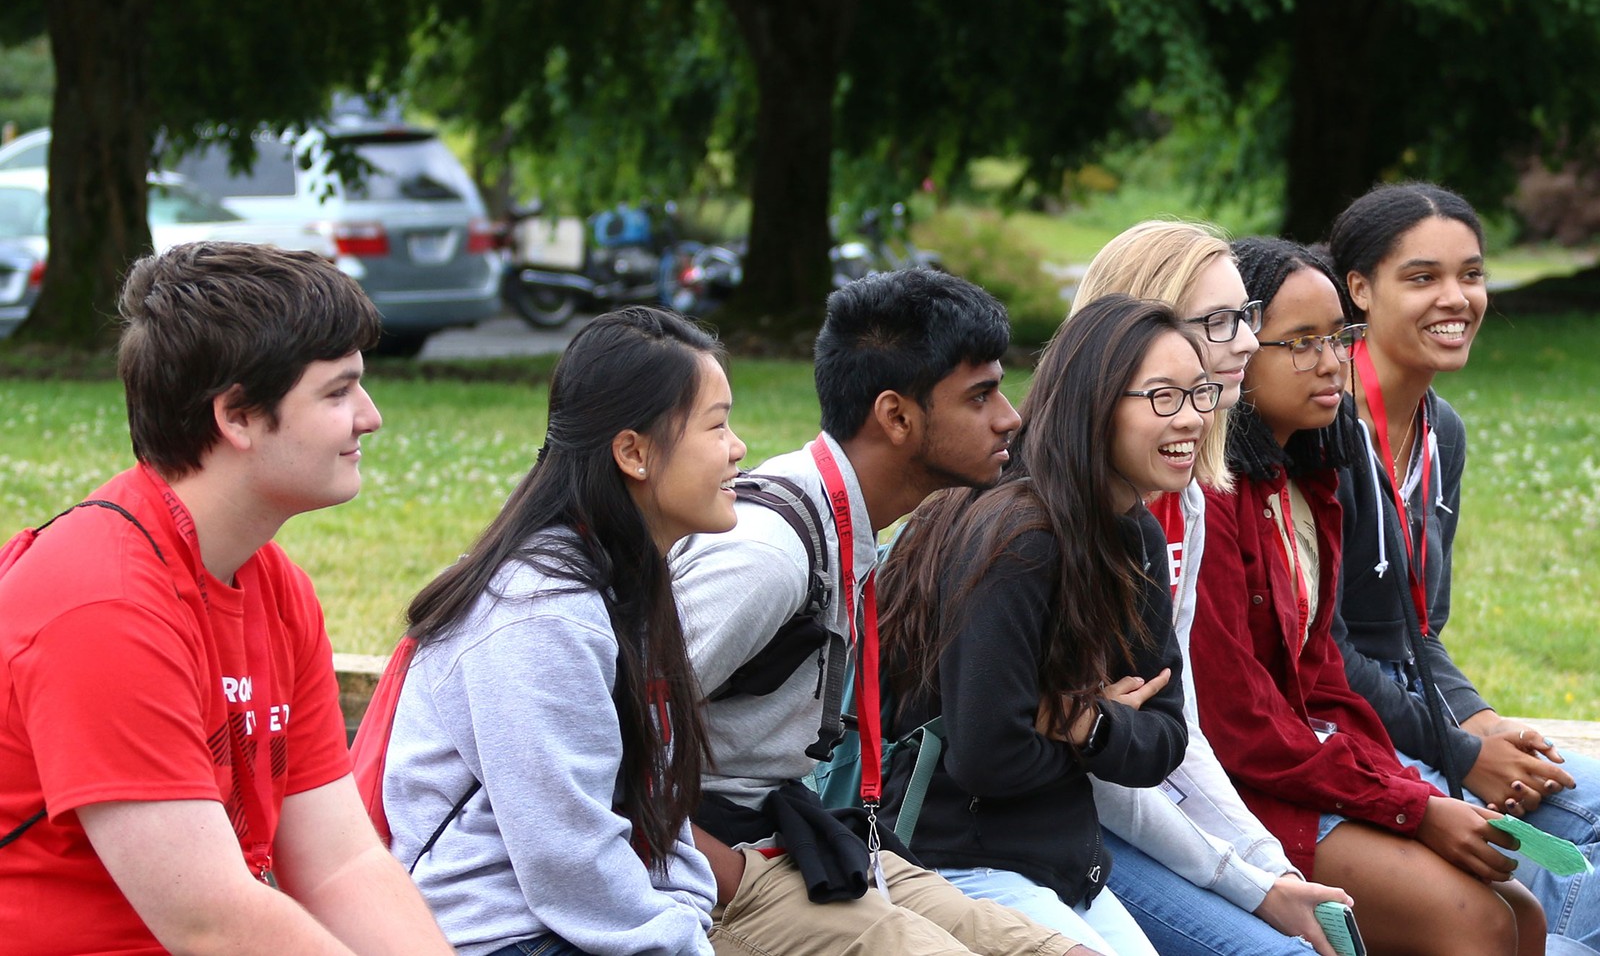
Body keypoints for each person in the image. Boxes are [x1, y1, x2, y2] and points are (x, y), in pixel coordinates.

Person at [0, 242, 452, 954]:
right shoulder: (103, 605)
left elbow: (340, 865)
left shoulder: (275, 588)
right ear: (237, 416)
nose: (371, 417)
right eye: (337, 392)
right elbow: (211, 923)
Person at [671, 268, 1098, 956]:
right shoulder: (768, 556)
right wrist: (727, 876)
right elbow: (594, 740)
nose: (1009, 417)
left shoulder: (849, 525)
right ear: (896, 416)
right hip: (712, 859)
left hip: (795, 828)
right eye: (980, 395)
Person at [1188, 235, 1547, 956]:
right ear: (1235, 355)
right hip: (1232, 787)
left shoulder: (1306, 478)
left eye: (1337, 337)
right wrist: (1412, 804)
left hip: (1307, 758)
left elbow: (1321, 674)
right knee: (1472, 919)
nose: (1330, 362)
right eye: (1299, 343)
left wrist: (1411, 786)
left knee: (1524, 913)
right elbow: (1237, 721)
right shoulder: (1213, 496)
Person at [383, 307, 744, 956]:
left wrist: (688, 920)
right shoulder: (542, 611)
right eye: (717, 426)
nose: (737, 447)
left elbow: (661, 815)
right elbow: (567, 860)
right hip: (503, 937)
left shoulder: (627, 583)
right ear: (633, 452)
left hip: (585, 926)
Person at [876, 294, 1206, 955]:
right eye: (1163, 398)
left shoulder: (1132, 534)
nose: (1192, 418)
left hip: (1060, 858)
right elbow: (989, 758)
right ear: (1095, 403)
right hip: (957, 860)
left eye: (1201, 394)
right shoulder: (1021, 539)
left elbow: (1166, 735)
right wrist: (1097, 732)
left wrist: (1084, 721)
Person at [1328, 183, 1600, 953]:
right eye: (1422, 278)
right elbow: (1325, 655)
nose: (1456, 298)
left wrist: (1478, 719)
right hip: (1352, 734)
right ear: (1359, 289)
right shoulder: (1320, 428)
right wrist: (1463, 752)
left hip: (1423, 719)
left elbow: (1418, 632)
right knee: (1575, 883)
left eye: (1471, 274)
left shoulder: (1443, 432)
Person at [1071, 221, 1350, 955]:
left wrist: (1266, 867)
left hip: (1138, 800)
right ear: (1135, 335)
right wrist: (1251, 884)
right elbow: (1099, 762)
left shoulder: (1188, 493)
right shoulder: (1061, 517)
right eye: (1219, 322)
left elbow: (1174, 722)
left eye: (1247, 317)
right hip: (1043, 823)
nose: (1250, 343)